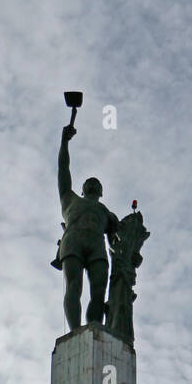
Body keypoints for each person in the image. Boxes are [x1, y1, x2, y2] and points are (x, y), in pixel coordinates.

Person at [55, 123, 118, 330]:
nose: (93, 184)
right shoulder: (69, 199)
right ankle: (74, 332)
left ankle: (94, 328)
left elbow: (118, 242)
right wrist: (64, 142)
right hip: (73, 240)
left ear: (101, 192)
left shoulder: (107, 214)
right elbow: (63, 169)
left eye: (97, 184)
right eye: (89, 183)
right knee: (74, 286)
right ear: (82, 190)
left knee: (99, 290)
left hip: (97, 246)